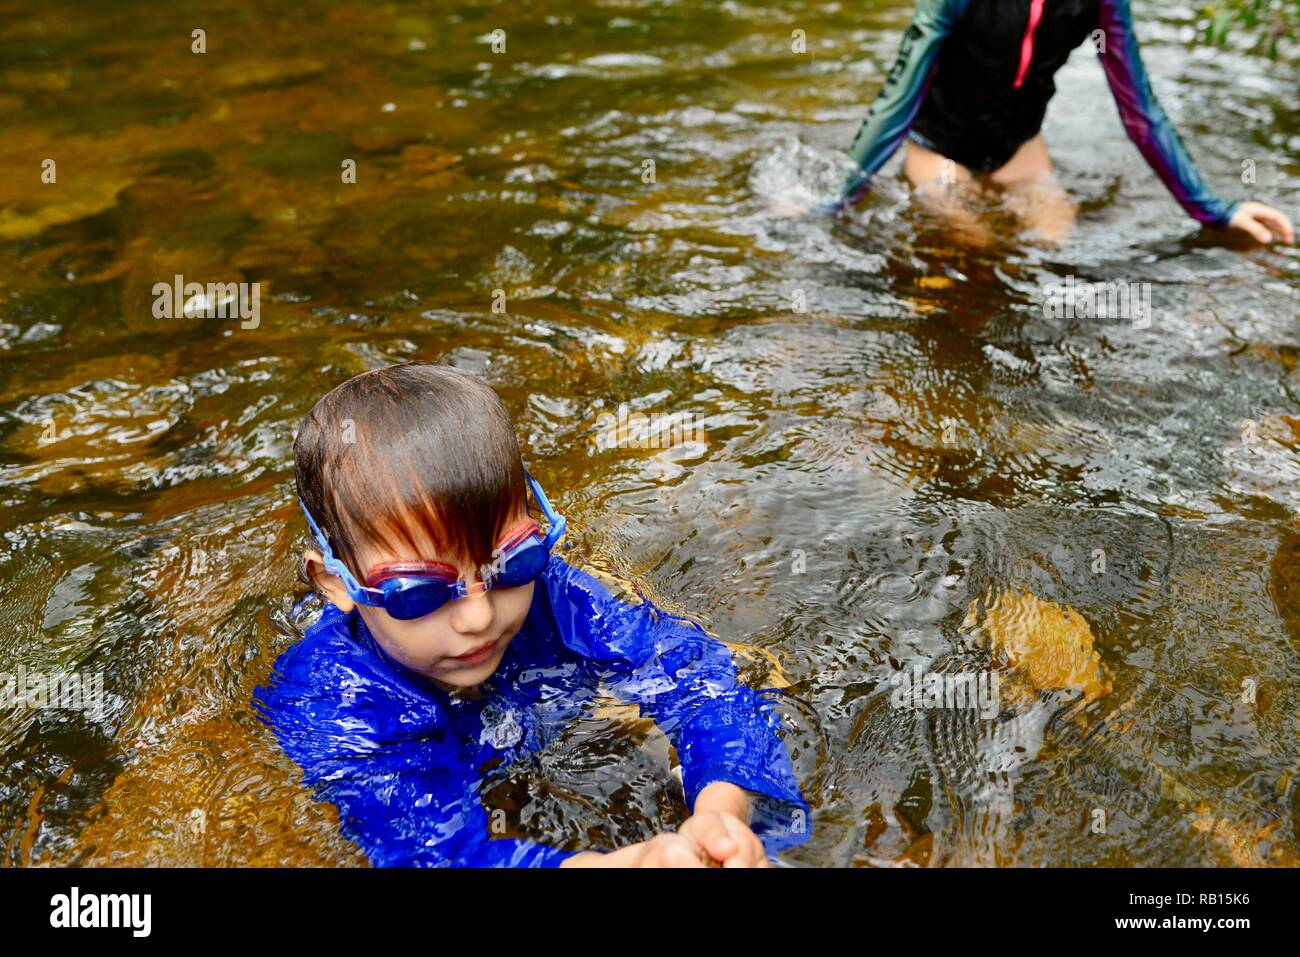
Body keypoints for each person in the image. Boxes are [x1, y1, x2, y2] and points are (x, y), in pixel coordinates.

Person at [254, 362, 809, 867]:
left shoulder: (554, 594)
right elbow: (435, 851)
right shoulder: (332, 702)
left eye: (512, 562)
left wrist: (723, 810)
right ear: (337, 583)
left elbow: (699, 682)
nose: (478, 617)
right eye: (419, 594)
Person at [839, 0, 1293, 244]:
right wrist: (834, 204)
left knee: (1050, 247)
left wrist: (1215, 211)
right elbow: (895, 99)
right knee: (973, 246)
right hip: (941, 147)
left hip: (1021, 149)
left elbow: (1141, 112)